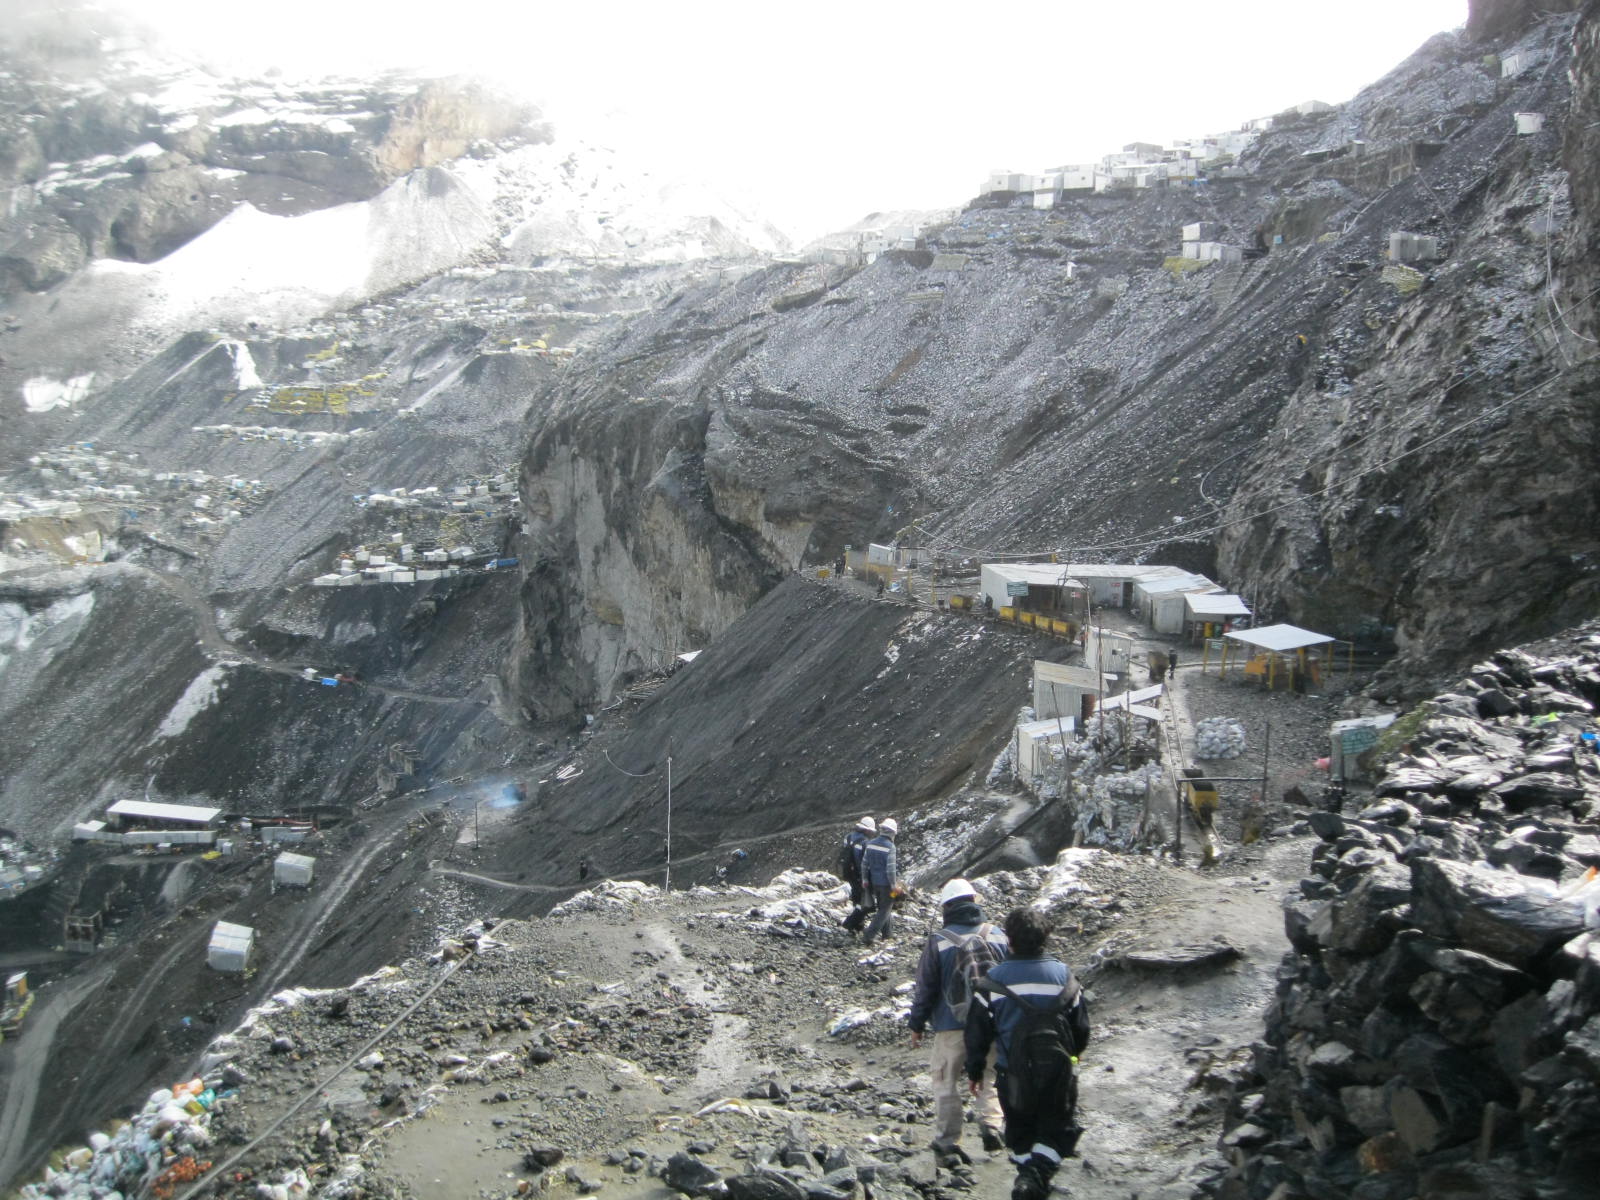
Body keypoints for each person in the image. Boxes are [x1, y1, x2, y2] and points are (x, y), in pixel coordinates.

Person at [965, 906, 1091, 1200]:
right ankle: (1035, 1178)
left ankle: (1028, 1177)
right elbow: (1081, 1028)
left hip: (1012, 1074)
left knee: (1021, 1133)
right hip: (1058, 1072)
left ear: (1009, 940)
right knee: (1056, 1129)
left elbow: (977, 1033)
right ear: (1046, 938)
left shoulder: (993, 981)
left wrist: (975, 1071)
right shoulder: (1064, 977)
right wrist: (1073, 1057)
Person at [908, 879, 1010, 1163]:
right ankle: (991, 1124)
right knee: (990, 1074)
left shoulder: (939, 941)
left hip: (951, 1023)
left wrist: (916, 1024)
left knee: (946, 1080)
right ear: (974, 901)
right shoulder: (998, 934)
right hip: (992, 1023)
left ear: (946, 907)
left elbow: (926, 987)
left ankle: (947, 1141)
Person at [859, 818, 899, 945]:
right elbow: (891, 869)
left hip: (874, 883)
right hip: (886, 885)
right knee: (885, 909)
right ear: (892, 832)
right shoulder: (890, 847)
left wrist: (865, 879)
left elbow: (864, 864)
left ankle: (888, 934)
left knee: (883, 907)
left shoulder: (871, 843)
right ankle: (869, 935)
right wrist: (893, 885)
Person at [839, 817, 876, 933]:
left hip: (848, 872)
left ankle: (858, 925)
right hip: (859, 875)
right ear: (867, 830)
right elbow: (864, 862)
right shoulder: (865, 842)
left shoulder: (848, 837)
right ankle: (849, 924)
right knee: (865, 903)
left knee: (856, 897)